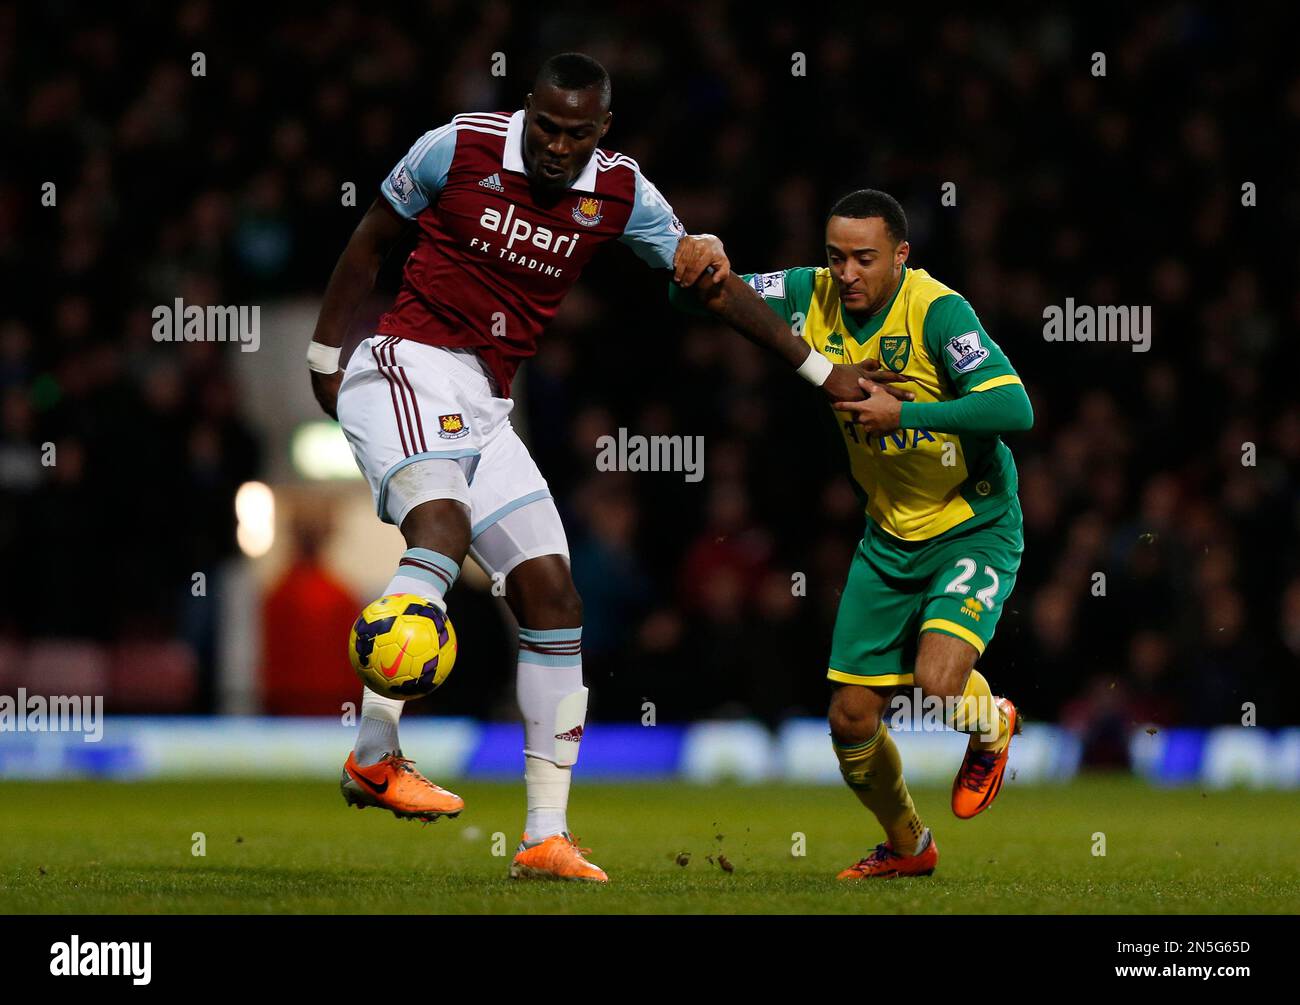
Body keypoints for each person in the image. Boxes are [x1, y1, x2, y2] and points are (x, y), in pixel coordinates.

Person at [306, 53, 875, 882]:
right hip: (405, 361)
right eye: (545, 127)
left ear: (601, 131)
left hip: (488, 402)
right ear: (524, 110)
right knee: (444, 525)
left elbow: (706, 282)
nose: (556, 147)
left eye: (577, 134)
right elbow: (372, 239)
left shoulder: (620, 192)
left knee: (552, 593)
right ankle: (375, 745)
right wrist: (326, 354)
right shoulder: (456, 148)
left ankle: (543, 836)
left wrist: (821, 373)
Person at [672, 189, 1034, 878]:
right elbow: (695, 300)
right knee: (850, 719)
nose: (847, 274)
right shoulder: (810, 294)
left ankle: (993, 724)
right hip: (889, 539)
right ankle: (908, 847)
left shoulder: (938, 310)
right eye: (836, 257)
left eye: (865, 259)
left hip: (972, 524)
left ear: (901, 255)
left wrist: (910, 415)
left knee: (937, 679)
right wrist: (703, 257)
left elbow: (1015, 408)